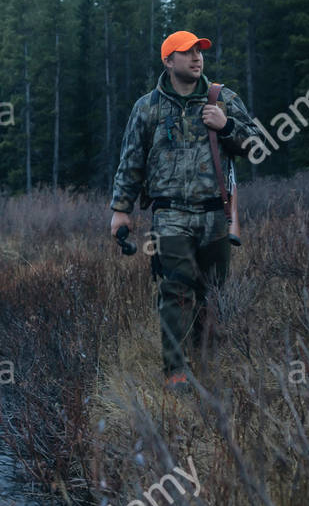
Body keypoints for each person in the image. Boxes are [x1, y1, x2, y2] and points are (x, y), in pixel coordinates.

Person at [108, 30, 256, 391]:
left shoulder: (223, 98)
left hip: (214, 214)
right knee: (176, 290)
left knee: (214, 292)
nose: (196, 58)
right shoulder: (148, 107)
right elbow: (131, 161)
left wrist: (227, 126)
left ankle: (209, 364)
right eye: (187, 52)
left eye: (199, 52)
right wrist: (121, 210)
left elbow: (255, 145)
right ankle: (176, 371)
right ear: (168, 61)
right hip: (170, 213)